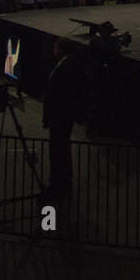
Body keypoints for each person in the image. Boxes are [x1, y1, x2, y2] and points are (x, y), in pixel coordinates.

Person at [42, 38, 84, 200]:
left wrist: (49, 115)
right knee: (62, 146)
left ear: (60, 49)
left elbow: (56, 94)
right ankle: (64, 178)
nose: (53, 49)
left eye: (55, 47)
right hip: (65, 113)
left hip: (60, 114)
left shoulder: (64, 67)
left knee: (58, 147)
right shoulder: (70, 65)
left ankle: (59, 181)